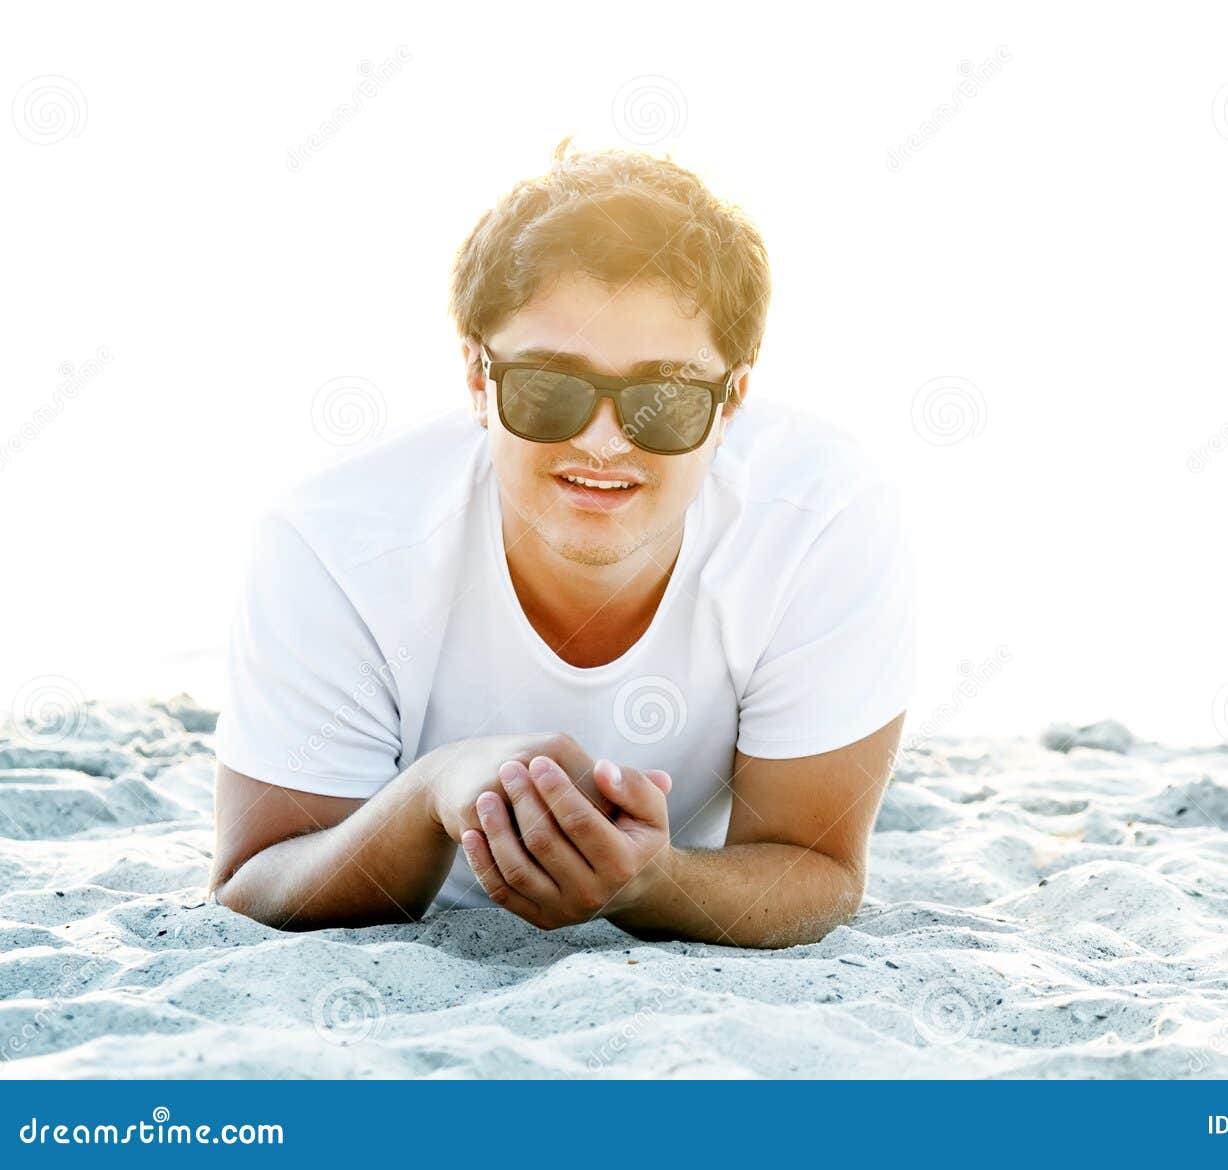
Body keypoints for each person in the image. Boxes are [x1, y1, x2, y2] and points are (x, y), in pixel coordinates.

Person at [207, 139, 917, 948]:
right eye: (550, 387)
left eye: (664, 398)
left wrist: (651, 881)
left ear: (731, 403)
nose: (604, 442)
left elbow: (818, 870)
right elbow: (253, 880)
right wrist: (433, 793)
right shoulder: (332, 544)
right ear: (477, 379)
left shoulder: (822, 523)